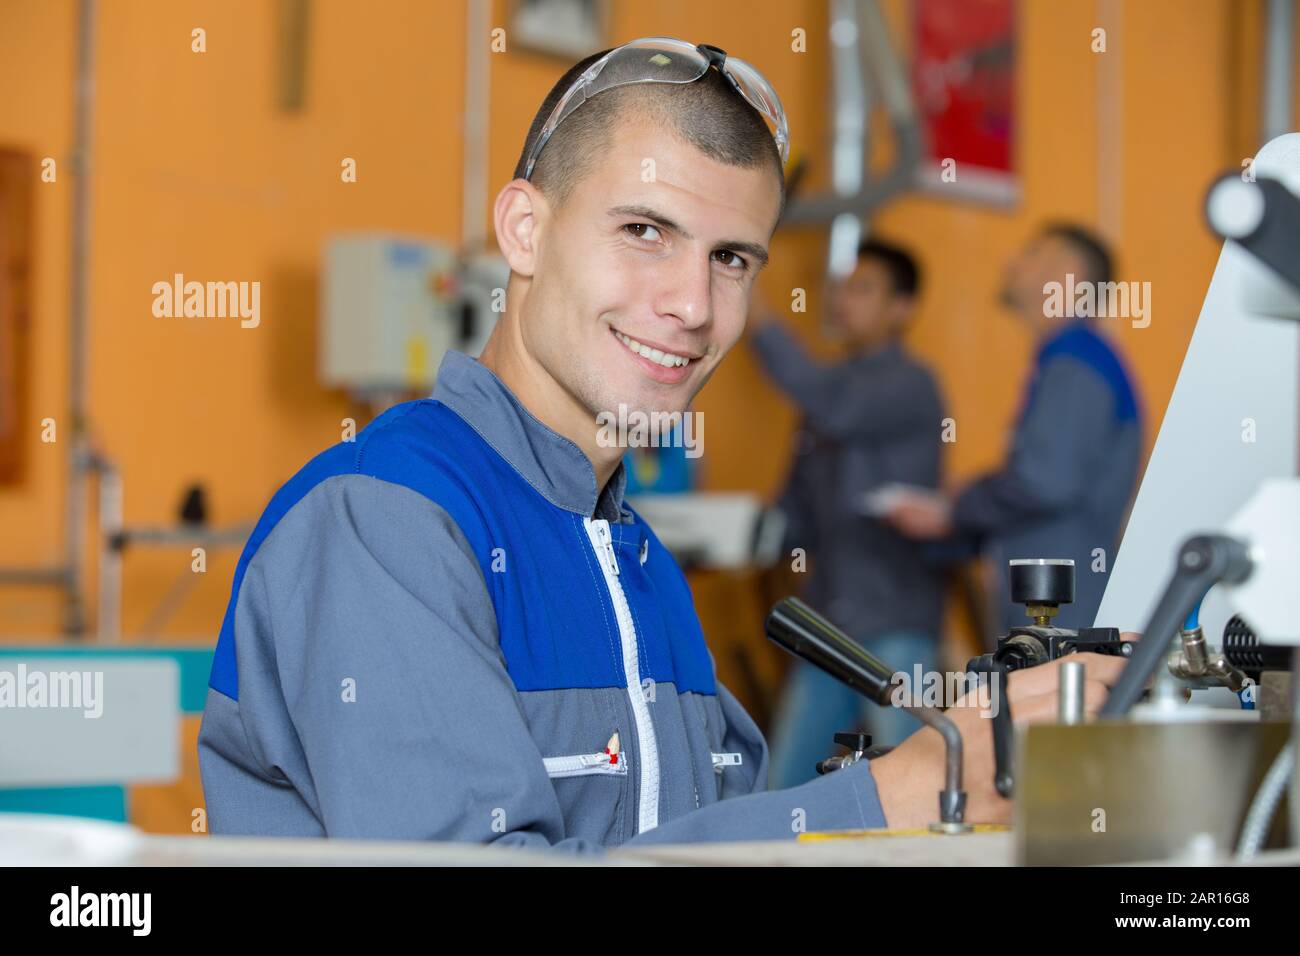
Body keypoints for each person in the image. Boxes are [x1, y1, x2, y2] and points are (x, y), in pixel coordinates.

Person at [198, 39, 1129, 850]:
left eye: (731, 260)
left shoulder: (636, 562)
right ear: (524, 230)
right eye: (645, 232)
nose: (692, 306)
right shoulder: (383, 522)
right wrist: (891, 796)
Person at [750, 240, 946, 785]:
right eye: (840, 287)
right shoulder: (831, 395)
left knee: (909, 782)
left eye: (863, 289)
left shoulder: (909, 384)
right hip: (827, 622)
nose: (842, 301)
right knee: (787, 781)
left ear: (902, 309)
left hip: (894, 620)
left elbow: (830, 402)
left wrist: (757, 311)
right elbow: (799, 495)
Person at [885, 224, 1141, 633]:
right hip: (1059, 603)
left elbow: (1047, 480)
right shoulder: (1074, 361)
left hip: (1060, 613)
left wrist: (958, 508)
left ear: (1066, 273)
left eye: (1031, 253)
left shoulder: (1076, 362)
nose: (1012, 264)